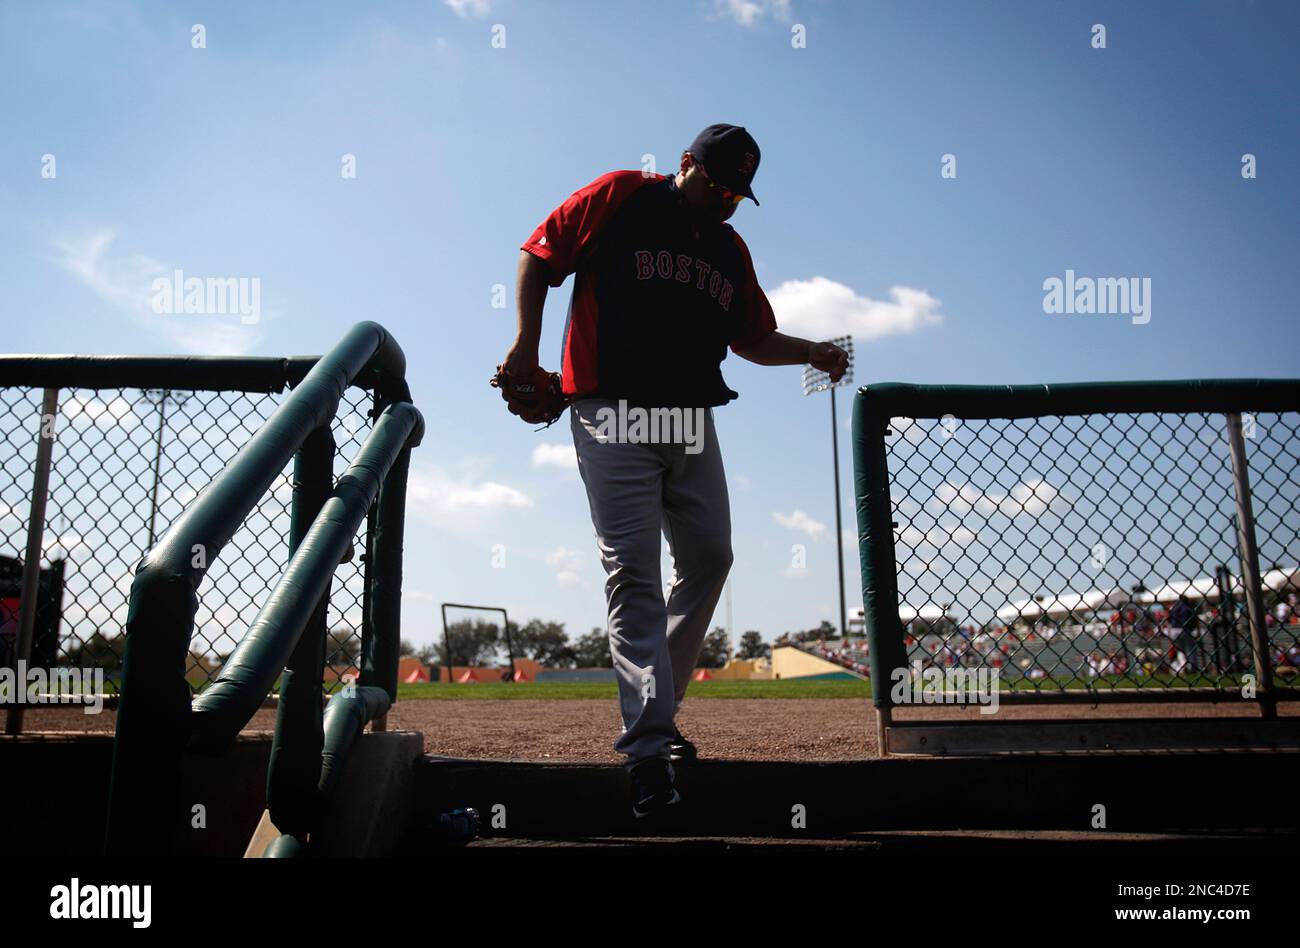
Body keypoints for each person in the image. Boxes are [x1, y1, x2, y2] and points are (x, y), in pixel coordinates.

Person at [503, 124, 849, 820]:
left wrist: (810, 351)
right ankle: (648, 752)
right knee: (633, 570)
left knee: (711, 556)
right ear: (685, 163)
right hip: (611, 411)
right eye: (716, 184)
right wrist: (523, 347)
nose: (726, 200)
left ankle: (659, 701)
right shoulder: (621, 195)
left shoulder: (728, 246)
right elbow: (541, 254)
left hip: (690, 418)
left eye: (738, 193)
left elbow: (749, 336)